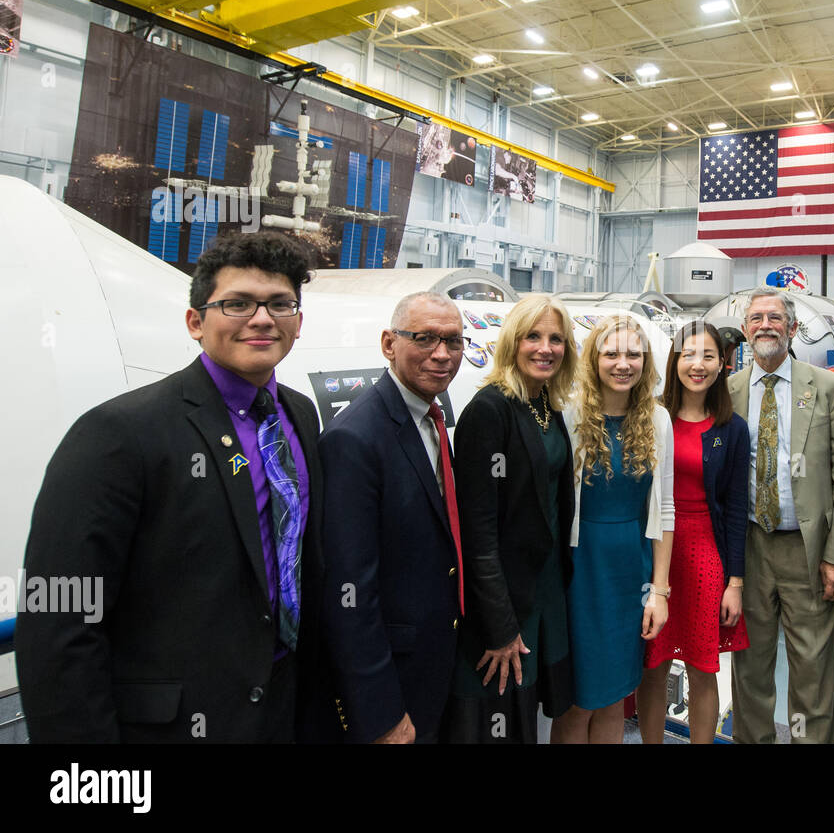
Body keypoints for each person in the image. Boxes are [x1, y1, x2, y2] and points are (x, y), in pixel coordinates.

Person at [16, 232, 326, 743]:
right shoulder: (120, 434)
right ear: (195, 322)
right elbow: (59, 620)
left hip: (284, 710)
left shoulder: (298, 415)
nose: (262, 318)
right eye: (238, 303)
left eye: (280, 304)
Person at [318, 291, 465, 743]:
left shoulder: (428, 419)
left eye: (453, 342)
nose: (442, 355)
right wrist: (380, 712)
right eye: (424, 338)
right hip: (393, 678)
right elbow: (349, 592)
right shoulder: (356, 438)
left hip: (436, 657)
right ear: (388, 344)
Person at [444, 294, 580, 743]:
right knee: (498, 720)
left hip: (544, 592)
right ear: (512, 343)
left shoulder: (546, 405)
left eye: (556, 339)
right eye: (533, 336)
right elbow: (477, 533)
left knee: (528, 718)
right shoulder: (490, 410)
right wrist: (500, 626)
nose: (545, 348)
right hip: (506, 604)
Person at [728, 286, 834, 744]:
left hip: (809, 551)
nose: (766, 325)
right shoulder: (728, 392)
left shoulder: (829, 388)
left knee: (813, 672)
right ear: (745, 330)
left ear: (793, 328)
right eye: (757, 318)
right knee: (749, 670)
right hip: (748, 548)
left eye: (775, 318)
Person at [552, 314, 674, 744]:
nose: (623, 363)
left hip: (631, 570)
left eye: (633, 354)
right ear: (593, 359)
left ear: (646, 361)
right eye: (612, 353)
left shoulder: (658, 420)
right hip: (579, 568)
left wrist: (658, 591)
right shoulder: (568, 414)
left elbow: (666, 511)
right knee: (577, 701)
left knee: (615, 697)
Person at [638, 320, 751, 743]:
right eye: (689, 355)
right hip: (655, 550)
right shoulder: (650, 417)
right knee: (654, 664)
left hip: (705, 553)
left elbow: (737, 509)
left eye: (708, 356)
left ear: (723, 364)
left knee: (704, 669)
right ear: (675, 361)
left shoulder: (731, 428)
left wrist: (734, 582)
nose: (698, 365)